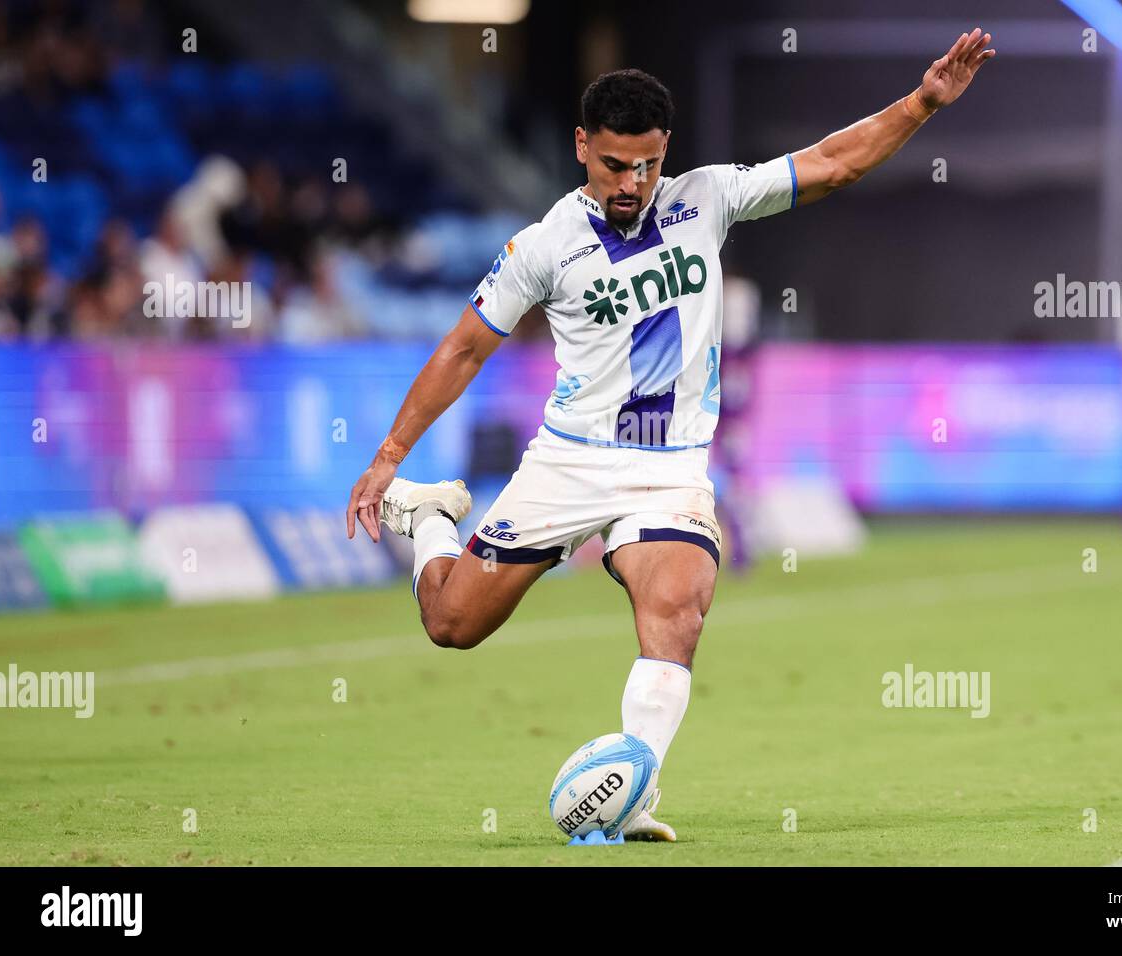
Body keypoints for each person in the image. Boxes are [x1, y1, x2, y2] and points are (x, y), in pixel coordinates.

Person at [346, 30, 996, 841]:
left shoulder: (708, 198)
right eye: (617, 164)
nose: (634, 181)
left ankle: (629, 794)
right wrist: (387, 462)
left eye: (649, 163)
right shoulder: (544, 245)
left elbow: (834, 164)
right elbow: (465, 345)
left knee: (678, 612)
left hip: (670, 468)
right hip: (569, 464)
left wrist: (923, 102)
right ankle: (437, 517)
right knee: (452, 625)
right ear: (584, 148)